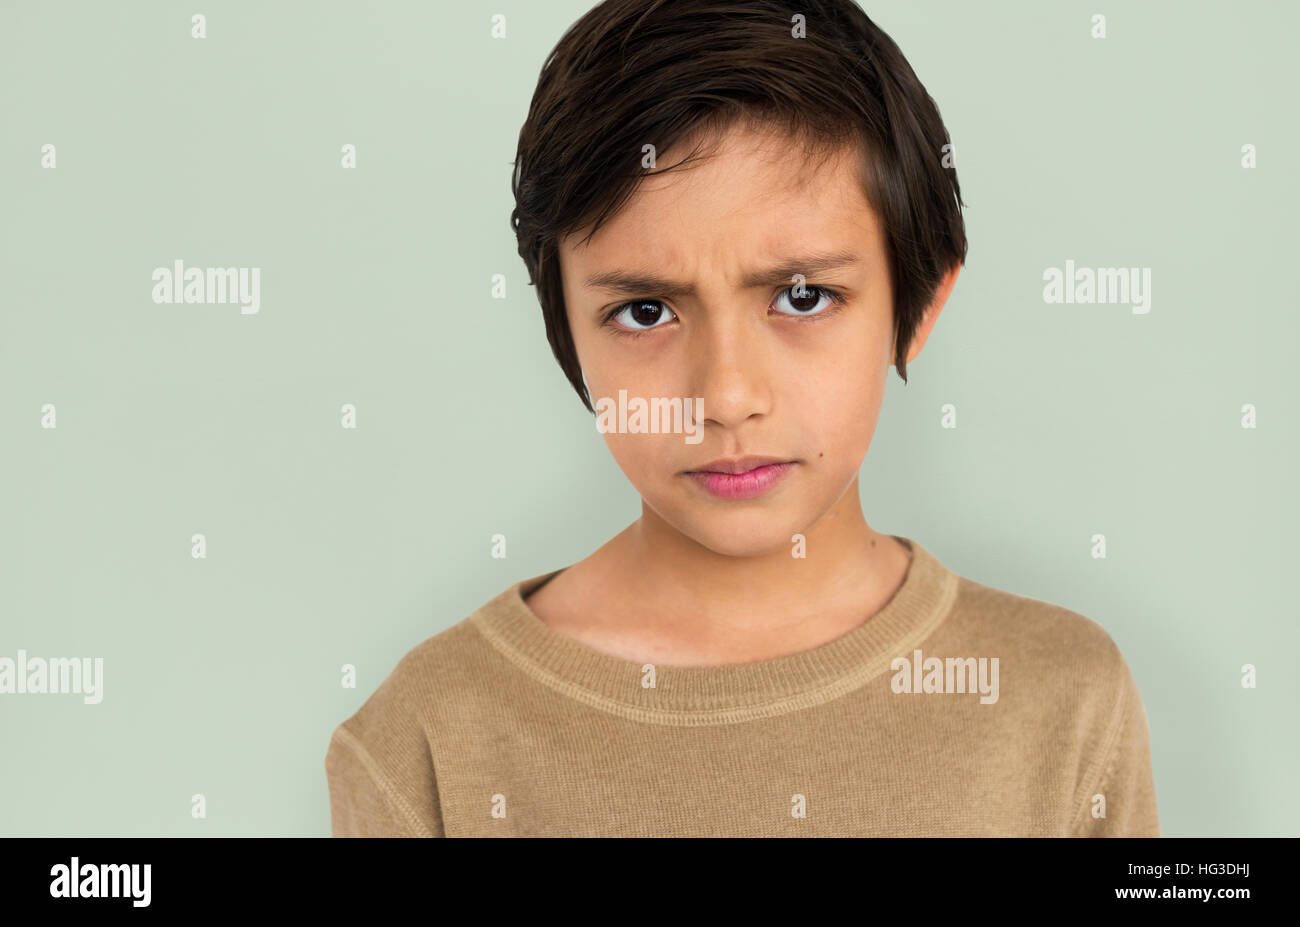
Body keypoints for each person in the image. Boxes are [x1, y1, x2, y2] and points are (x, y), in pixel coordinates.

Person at [326, 0, 1158, 837]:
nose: (724, 397)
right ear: (566, 328)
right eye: (646, 311)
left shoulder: (1061, 697)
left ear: (918, 304)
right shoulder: (428, 741)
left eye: (802, 297)